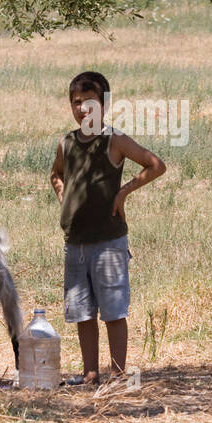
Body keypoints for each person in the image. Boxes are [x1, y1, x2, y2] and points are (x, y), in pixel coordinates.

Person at [49, 71, 166, 384]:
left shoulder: (115, 140)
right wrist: (65, 198)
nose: (82, 109)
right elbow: (56, 175)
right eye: (76, 102)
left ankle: (117, 373)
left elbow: (155, 165)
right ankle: (90, 373)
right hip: (75, 243)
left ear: (105, 104)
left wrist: (124, 191)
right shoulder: (67, 142)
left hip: (108, 242)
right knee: (81, 312)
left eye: (90, 102)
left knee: (113, 311)